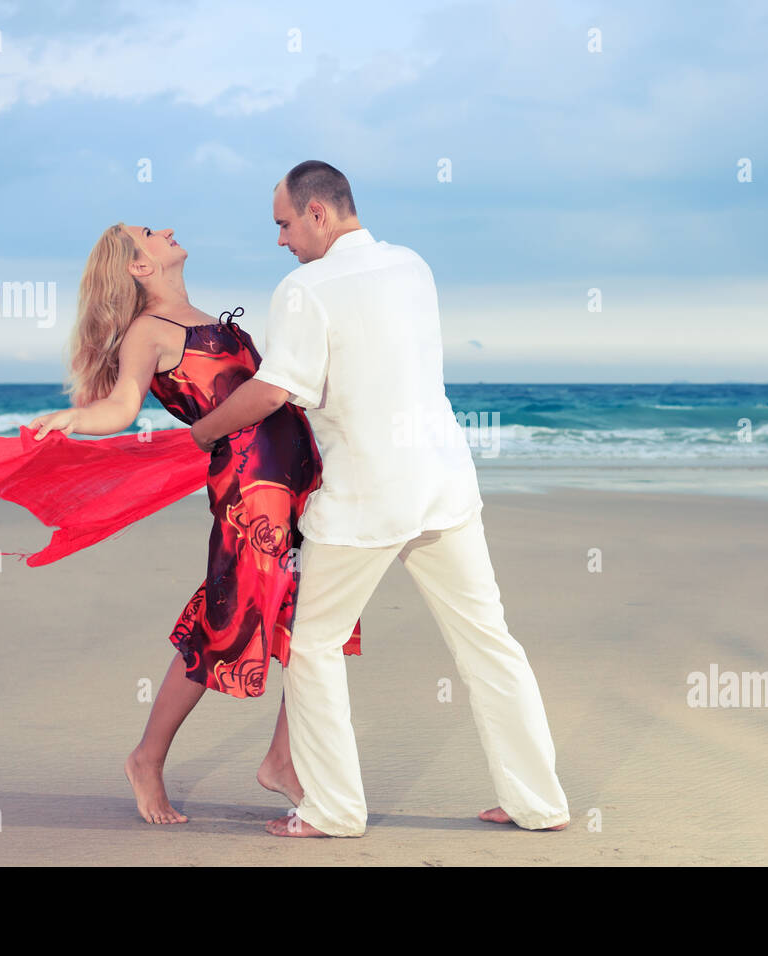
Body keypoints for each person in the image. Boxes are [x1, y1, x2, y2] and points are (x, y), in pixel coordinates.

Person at [188, 160, 570, 837]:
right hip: (445, 483)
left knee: (312, 646)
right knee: (489, 643)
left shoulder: (304, 288)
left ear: (317, 213)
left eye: (282, 224)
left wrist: (206, 430)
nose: (280, 240)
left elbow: (278, 389)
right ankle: (539, 804)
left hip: (368, 497)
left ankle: (333, 809)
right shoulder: (412, 266)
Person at [27, 222, 360, 823]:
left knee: (313, 618)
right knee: (227, 616)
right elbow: (123, 405)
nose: (169, 231)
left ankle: (282, 759)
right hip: (249, 488)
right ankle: (147, 759)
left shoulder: (208, 315)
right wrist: (76, 418)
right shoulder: (147, 331)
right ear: (137, 266)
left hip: (299, 477)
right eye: (152, 233)